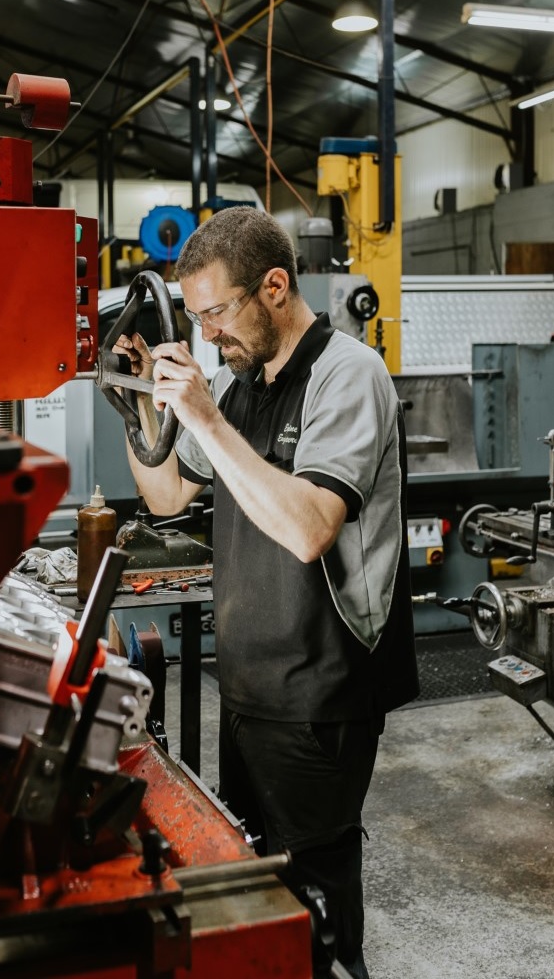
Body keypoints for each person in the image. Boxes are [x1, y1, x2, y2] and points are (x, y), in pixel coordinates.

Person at [115, 206, 418, 979]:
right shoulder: (241, 380)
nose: (208, 335)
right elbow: (166, 496)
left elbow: (312, 526)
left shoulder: (347, 374)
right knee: (258, 891)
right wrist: (139, 412)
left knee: (315, 908)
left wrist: (207, 418)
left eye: (216, 313)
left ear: (275, 286)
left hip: (322, 694)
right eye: (197, 318)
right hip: (249, 688)